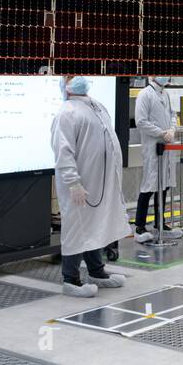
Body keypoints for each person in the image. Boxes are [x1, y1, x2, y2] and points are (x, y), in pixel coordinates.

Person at [52, 76, 129, 297]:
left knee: (94, 226)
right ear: (64, 84)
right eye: (71, 75)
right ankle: (71, 280)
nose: (79, 77)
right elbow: (63, 152)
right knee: (77, 228)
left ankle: (97, 272)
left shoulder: (96, 105)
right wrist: (73, 183)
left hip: (99, 182)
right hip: (80, 183)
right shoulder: (66, 112)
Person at [133, 76, 181, 243]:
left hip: (167, 147)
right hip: (153, 147)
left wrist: (172, 129)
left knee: (164, 185)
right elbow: (140, 122)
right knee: (148, 186)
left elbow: (173, 114)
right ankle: (139, 227)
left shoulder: (165, 94)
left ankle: (160, 224)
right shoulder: (144, 94)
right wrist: (161, 133)